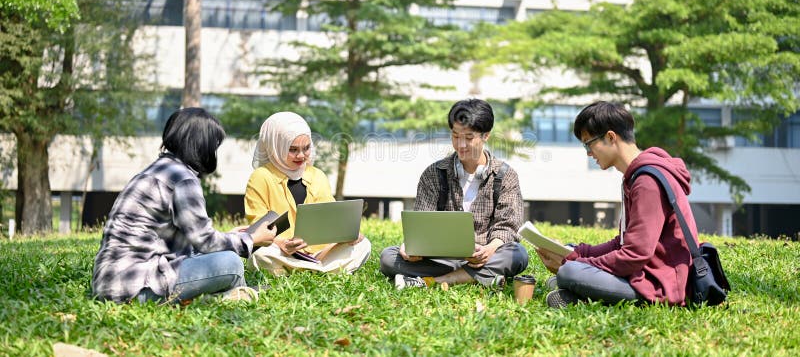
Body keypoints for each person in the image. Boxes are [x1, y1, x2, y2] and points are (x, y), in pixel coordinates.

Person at [92, 108, 276, 304]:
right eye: (213, 145)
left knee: (224, 256)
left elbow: (190, 242)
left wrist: (233, 236)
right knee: (230, 263)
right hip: (135, 286)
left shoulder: (157, 170)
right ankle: (233, 296)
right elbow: (206, 242)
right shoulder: (182, 178)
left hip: (109, 283)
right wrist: (251, 238)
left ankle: (216, 297)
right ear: (201, 144)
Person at [537, 101, 700, 308]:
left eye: (589, 144)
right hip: (645, 273)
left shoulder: (647, 182)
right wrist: (576, 252)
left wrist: (570, 264)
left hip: (660, 284)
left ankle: (578, 290)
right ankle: (578, 291)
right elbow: (623, 243)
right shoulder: (635, 176)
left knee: (570, 271)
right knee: (571, 260)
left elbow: (635, 255)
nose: (588, 153)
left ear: (611, 137)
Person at [379, 99, 529, 290]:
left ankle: (438, 281)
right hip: (441, 258)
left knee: (517, 254)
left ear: (486, 136)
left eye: (469, 137)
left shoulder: (505, 176)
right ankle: (476, 277)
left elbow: (508, 227)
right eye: (455, 136)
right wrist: (411, 247)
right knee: (389, 257)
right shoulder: (434, 173)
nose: (461, 145)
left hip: (485, 256)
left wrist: (489, 250)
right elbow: (421, 222)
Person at [245, 111, 371, 274]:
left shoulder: (317, 175)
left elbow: (332, 219)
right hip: (281, 252)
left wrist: (347, 234)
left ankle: (304, 269)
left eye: (306, 148)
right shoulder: (261, 177)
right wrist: (282, 243)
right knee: (260, 254)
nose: (301, 156)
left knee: (363, 245)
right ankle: (321, 271)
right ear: (275, 146)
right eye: (293, 149)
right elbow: (257, 230)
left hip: (321, 253)